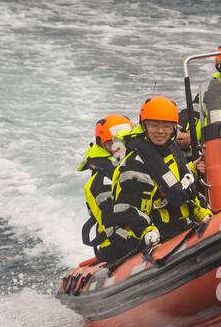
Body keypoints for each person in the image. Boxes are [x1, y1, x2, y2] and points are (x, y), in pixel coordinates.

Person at [110, 96, 212, 261]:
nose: (160, 131)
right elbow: (126, 209)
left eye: (166, 126)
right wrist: (147, 232)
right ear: (144, 126)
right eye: (154, 125)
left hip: (181, 229)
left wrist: (203, 213)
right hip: (154, 238)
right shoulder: (134, 164)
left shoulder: (173, 153)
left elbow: (188, 190)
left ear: (174, 128)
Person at [79, 113, 133, 261]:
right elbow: (112, 224)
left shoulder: (132, 165)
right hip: (116, 245)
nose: (119, 147)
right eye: (113, 143)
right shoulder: (102, 181)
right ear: (102, 144)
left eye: (123, 142)